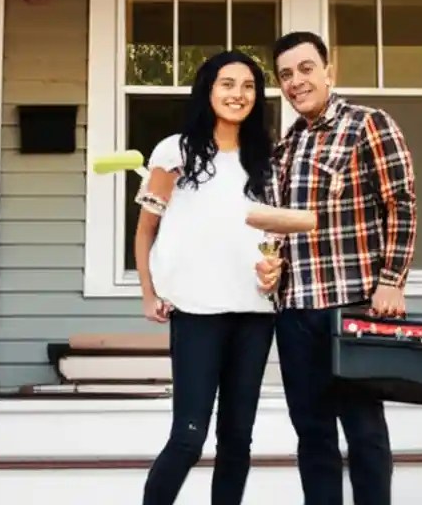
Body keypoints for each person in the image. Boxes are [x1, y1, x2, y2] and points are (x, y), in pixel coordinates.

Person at [254, 31, 417, 505]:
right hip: (294, 310)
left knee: (364, 428)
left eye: (306, 69)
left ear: (329, 71)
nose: (296, 81)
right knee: (312, 432)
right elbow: (280, 228)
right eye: (286, 75)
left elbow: (401, 204)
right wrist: (270, 269)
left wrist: (391, 281)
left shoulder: (368, 124)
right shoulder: (285, 146)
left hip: (353, 305)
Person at [135, 50, 278, 505]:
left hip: (256, 312)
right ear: (209, 90)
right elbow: (145, 229)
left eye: (249, 86)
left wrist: (277, 271)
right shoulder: (175, 151)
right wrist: (148, 291)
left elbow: (276, 234)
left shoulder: (268, 158)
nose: (238, 94)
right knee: (189, 437)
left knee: (237, 440)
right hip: (197, 312)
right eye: (228, 84)